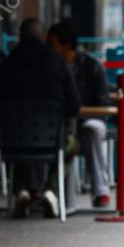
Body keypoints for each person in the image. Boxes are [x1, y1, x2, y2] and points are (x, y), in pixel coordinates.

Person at [0, 18, 80, 218]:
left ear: (20, 38)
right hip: (51, 142)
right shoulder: (58, 64)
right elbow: (74, 106)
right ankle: (51, 190)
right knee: (72, 143)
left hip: (9, 143)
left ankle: (21, 191)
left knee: (19, 136)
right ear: (43, 38)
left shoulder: (7, 65)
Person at [47, 20, 111, 208]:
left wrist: (80, 112)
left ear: (67, 46)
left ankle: (100, 192)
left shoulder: (92, 67)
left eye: (53, 45)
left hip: (86, 124)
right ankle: (46, 192)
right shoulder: (49, 67)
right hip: (57, 125)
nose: (49, 49)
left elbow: (103, 106)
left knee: (93, 129)